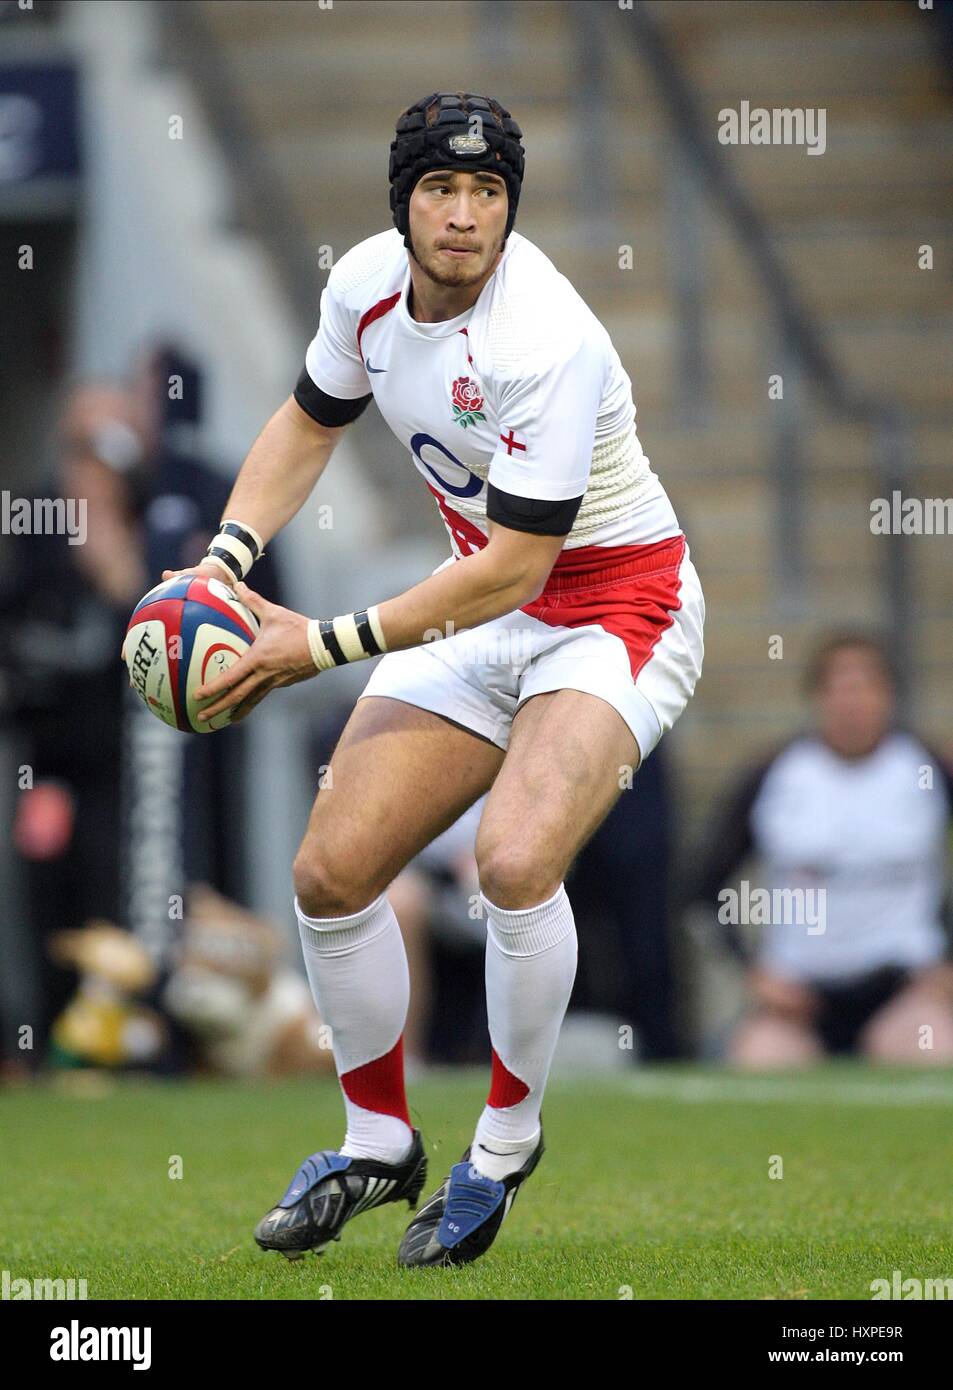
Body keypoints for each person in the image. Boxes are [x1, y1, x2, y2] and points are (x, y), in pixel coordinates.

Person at [157, 92, 705, 1268]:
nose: (463, 215)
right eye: (440, 191)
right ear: (400, 203)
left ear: (511, 205)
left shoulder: (545, 336)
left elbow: (517, 568)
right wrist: (221, 562)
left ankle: (501, 1146)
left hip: (615, 610)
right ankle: (375, 1141)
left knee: (512, 863)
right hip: (481, 606)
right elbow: (307, 423)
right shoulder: (361, 285)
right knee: (329, 869)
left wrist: (321, 642)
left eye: (488, 192)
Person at [689, 633, 953, 1067]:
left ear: (889, 698)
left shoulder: (926, 769)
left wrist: (944, 965)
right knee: (760, 1060)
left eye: (866, 688)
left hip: (904, 988)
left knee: (931, 1049)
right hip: (798, 997)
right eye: (839, 689)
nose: (853, 704)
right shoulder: (775, 774)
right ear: (817, 699)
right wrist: (753, 973)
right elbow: (702, 889)